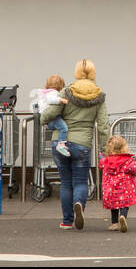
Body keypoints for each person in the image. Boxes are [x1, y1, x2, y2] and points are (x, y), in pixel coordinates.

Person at [41, 58, 109, 230]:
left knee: (65, 182)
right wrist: (104, 149)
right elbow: (103, 125)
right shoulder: (99, 95)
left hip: (60, 142)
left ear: (77, 72)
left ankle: (67, 221)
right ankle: (78, 203)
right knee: (80, 181)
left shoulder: (66, 91)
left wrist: (42, 118)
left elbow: (51, 113)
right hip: (82, 144)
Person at [99, 135, 136, 232]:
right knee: (124, 204)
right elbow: (135, 169)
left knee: (113, 206)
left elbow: (101, 164)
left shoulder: (107, 160)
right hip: (124, 188)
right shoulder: (127, 160)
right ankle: (123, 216)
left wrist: (101, 156)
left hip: (111, 188)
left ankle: (114, 223)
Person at [29, 74, 71, 157]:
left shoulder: (44, 93)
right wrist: (61, 100)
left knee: (60, 127)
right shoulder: (53, 92)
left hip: (48, 119)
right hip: (53, 118)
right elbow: (51, 100)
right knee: (64, 128)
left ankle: (61, 144)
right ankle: (61, 145)